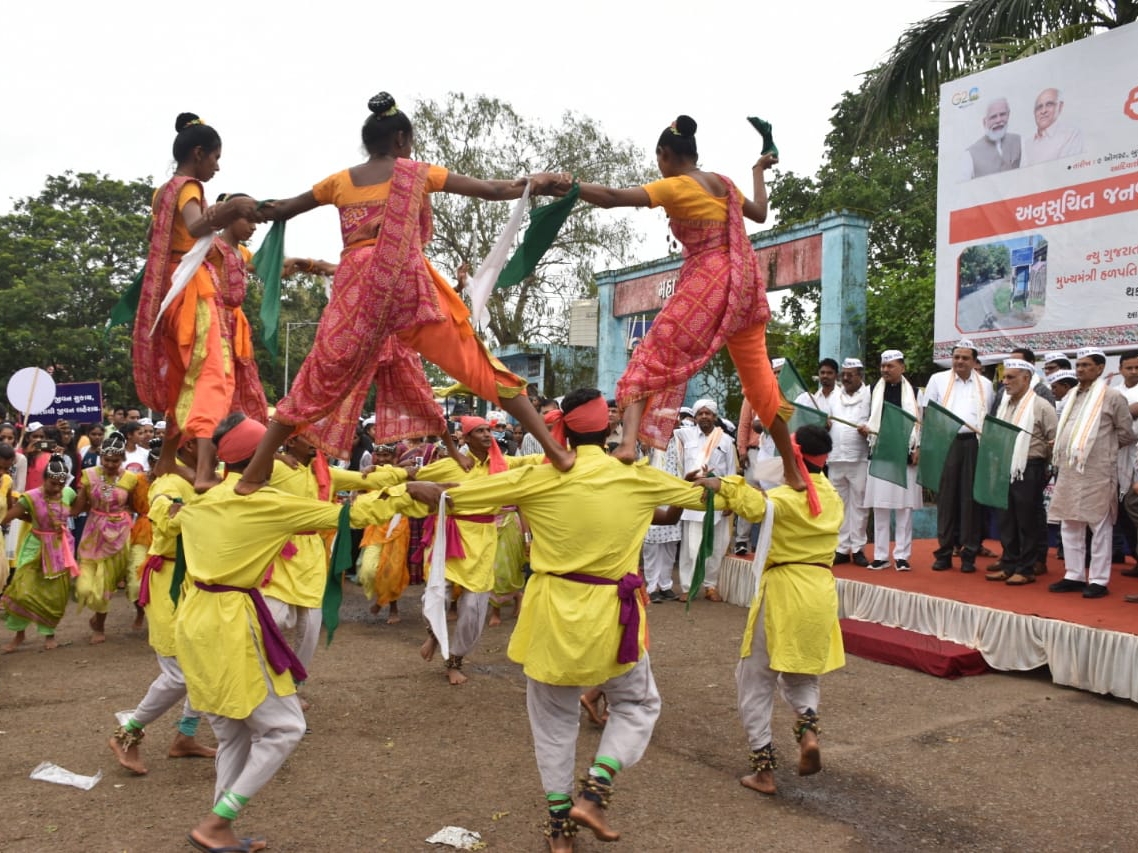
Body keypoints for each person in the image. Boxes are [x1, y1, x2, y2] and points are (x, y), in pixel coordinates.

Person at [233, 92, 574, 495]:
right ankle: (554, 449)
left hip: (357, 291)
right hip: (406, 284)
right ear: (400, 140)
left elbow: (279, 209)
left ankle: (254, 472)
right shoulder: (416, 172)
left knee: (314, 378)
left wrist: (238, 207)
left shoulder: (339, 181)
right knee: (477, 365)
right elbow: (491, 189)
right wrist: (536, 184)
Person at [442, 389, 719, 850]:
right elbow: (702, 497)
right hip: (613, 619)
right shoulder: (636, 477)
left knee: (553, 723)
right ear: (609, 429)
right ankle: (596, 788)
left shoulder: (541, 476)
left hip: (552, 615)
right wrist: (711, 485)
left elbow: (459, 498)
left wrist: (411, 493)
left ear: (563, 428)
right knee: (637, 705)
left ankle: (559, 829)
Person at [172, 413, 444, 852]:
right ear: (259, 457)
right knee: (284, 728)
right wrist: (406, 492)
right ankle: (216, 822)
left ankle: (219, 827)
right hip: (230, 621)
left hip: (196, 618)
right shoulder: (265, 503)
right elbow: (348, 515)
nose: (280, 456)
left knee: (234, 734)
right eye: (274, 450)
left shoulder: (204, 498)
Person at [574, 114, 803, 490]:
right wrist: (758, 169)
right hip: (744, 285)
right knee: (760, 383)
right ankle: (792, 470)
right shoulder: (725, 184)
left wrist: (570, 187)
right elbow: (760, 214)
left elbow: (614, 198)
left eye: (657, 159)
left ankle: (628, 443)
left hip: (708, 283)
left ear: (665, 154)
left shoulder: (675, 187)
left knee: (649, 355)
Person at [696, 424, 844, 797]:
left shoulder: (783, 499)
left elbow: (749, 503)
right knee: (802, 675)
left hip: (785, 590)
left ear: (794, 457)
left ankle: (764, 769)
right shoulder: (833, 497)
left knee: (755, 680)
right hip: (821, 591)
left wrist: (713, 482)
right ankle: (807, 729)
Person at [134, 113, 260, 492]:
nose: (217, 167)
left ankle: (169, 459)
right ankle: (205, 469)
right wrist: (234, 208)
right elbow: (194, 226)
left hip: (171, 291)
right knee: (212, 376)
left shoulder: (163, 192)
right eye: (215, 158)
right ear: (199, 153)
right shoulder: (186, 186)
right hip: (192, 291)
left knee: (182, 379)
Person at [107, 440, 215, 775]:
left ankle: (184, 737)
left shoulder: (203, 477)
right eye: (207, 443)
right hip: (168, 579)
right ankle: (128, 734)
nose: (214, 448)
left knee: (203, 663)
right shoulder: (169, 484)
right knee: (180, 672)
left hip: (194, 582)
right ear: (188, 447)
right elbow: (164, 520)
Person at [416, 415, 542, 685]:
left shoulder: (502, 465)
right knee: (435, 597)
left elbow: (532, 463)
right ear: (466, 437)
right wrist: (378, 476)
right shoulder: (450, 465)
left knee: (473, 607)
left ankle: (455, 660)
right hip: (451, 536)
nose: (487, 435)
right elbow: (414, 478)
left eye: (489, 430)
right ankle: (434, 635)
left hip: (485, 538)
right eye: (480, 431)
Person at [1047, 348, 1136, 598]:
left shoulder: (1112, 396)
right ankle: (1073, 575)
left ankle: (1098, 580)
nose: (1081, 369)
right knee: (1070, 523)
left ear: (1100, 369)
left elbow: (1127, 433)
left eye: (1087, 365)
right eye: (1079, 365)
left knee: (1099, 525)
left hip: (1098, 470)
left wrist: (1100, 447)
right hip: (1070, 470)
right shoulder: (1072, 394)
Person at [984, 359, 1059, 585]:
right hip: (1004, 466)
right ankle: (1009, 563)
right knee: (1006, 519)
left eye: (1011, 377)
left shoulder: (1041, 405)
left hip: (1030, 467)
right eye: (1004, 378)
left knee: (1027, 520)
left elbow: (1053, 440)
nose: (1005, 382)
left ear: (1026, 379)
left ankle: (1027, 568)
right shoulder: (1004, 404)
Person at [925, 339, 994, 573]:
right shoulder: (938, 380)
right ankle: (944, 552)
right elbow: (929, 413)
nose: (960, 362)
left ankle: (969, 554)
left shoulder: (985, 384)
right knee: (946, 500)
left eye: (965, 358)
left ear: (975, 361)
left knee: (970, 501)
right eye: (956, 357)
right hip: (946, 444)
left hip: (974, 445)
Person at [72, 431, 144, 644]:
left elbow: (134, 506)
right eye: (106, 459)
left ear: (122, 459)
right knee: (84, 586)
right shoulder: (89, 475)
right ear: (100, 457)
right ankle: (96, 617)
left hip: (121, 533)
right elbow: (79, 506)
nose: (110, 464)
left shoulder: (131, 478)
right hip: (93, 532)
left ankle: (100, 626)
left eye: (115, 460)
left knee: (106, 583)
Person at [0, 456, 76, 652]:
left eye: (61, 483)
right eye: (53, 483)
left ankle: (49, 634)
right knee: (21, 590)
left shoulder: (68, 493)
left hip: (59, 547)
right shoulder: (31, 497)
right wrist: (31, 518)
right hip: (34, 545)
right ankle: (19, 634)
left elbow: (78, 508)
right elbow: (9, 516)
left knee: (53, 593)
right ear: (44, 479)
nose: (58, 488)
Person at [210, 192, 269, 423]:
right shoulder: (212, 246)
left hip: (236, 327)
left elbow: (275, 267)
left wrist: (313, 265)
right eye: (249, 220)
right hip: (213, 322)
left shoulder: (242, 253)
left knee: (243, 382)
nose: (254, 227)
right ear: (230, 217)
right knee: (216, 380)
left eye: (256, 222)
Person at [861, 350, 922, 571]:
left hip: (904, 454)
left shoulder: (915, 393)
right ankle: (880, 555)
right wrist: (864, 427)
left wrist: (919, 448)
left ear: (902, 368)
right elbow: (864, 417)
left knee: (904, 508)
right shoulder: (871, 391)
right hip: (880, 452)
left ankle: (902, 556)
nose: (885, 370)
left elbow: (920, 422)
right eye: (883, 366)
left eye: (891, 366)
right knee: (880, 506)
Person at [675, 398, 737, 601]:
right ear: (694, 417)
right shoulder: (684, 436)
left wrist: (730, 501)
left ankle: (710, 585)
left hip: (718, 499)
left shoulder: (726, 440)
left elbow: (730, 472)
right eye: (700, 413)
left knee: (717, 545)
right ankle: (687, 587)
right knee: (691, 548)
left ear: (714, 416)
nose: (704, 416)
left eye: (707, 413)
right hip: (693, 497)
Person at [828, 358, 872, 567]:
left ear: (860, 376)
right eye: (843, 374)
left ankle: (858, 548)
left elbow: (875, 422)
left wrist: (868, 430)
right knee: (839, 506)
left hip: (859, 459)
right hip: (836, 458)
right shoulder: (835, 396)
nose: (845, 378)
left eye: (850, 374)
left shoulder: (870, 396)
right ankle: (842, 548)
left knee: (860, 506)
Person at [962, 98, 1022, 180]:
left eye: (1002, 114)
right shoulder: (970, 154)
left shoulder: (1019, 140)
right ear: (984, 122)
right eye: (993, 117)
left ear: (1008, 115)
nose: (999, 120)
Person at [1022, 88, 1084, 166]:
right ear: (1034, 113)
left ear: (1060, 107)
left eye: (1049, 104)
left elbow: (1065, 170)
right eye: (1039, 107)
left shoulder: (1071, 135)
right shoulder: (1027, 144)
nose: (1043, 111)